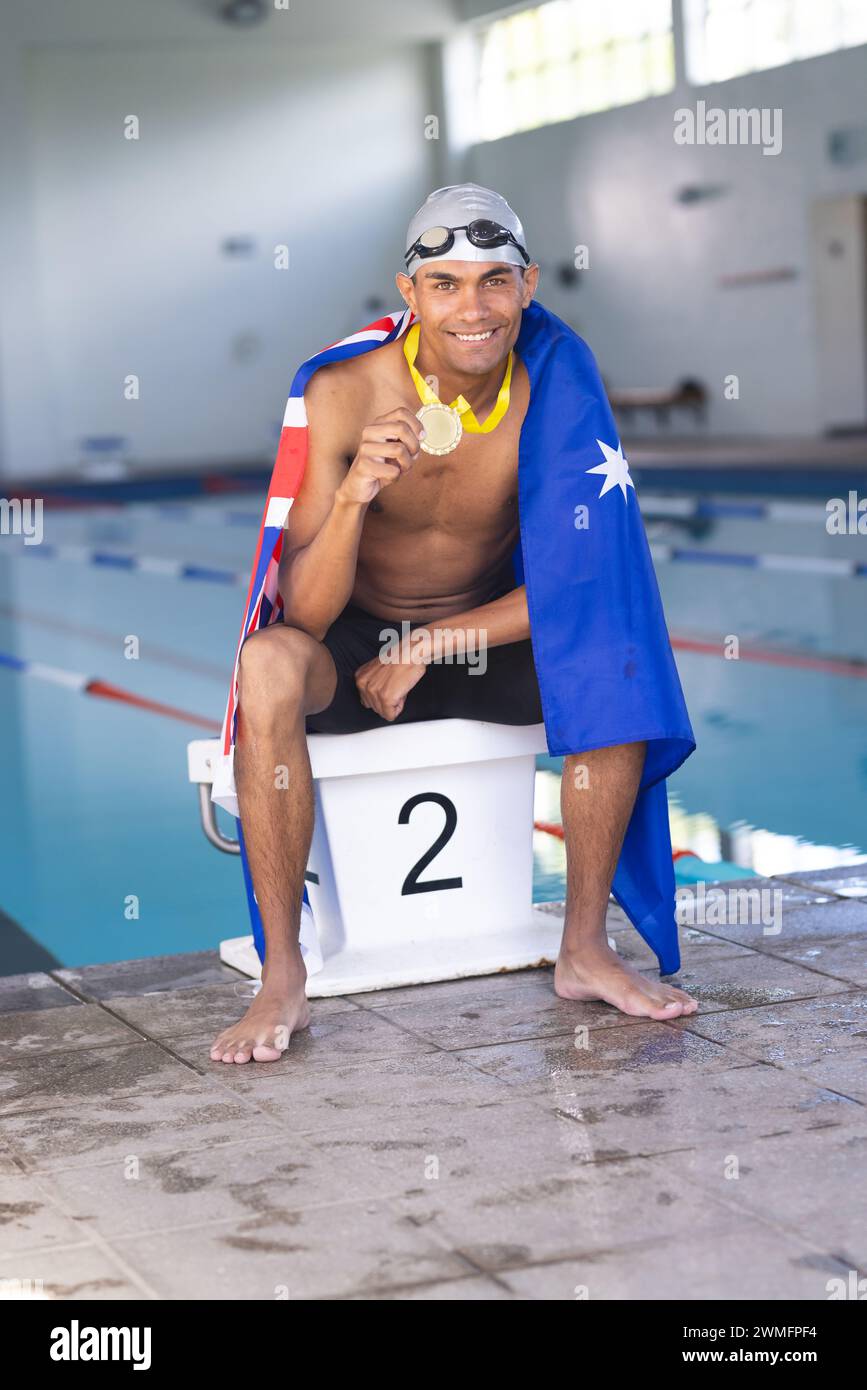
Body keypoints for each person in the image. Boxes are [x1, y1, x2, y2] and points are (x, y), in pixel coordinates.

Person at [210, 184, 697, 1065]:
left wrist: (435, 641)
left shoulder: (553, 386)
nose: (472, 308)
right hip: (353, 644)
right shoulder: (340, 390)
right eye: (445, 284)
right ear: (409, 294)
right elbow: (308, 612)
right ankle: (284, 974)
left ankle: (583, 947)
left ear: (528, 286)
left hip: (480, 634)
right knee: (269, 665)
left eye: (495, 282)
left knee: (616, 654)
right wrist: (358, 491)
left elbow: (585, 587)